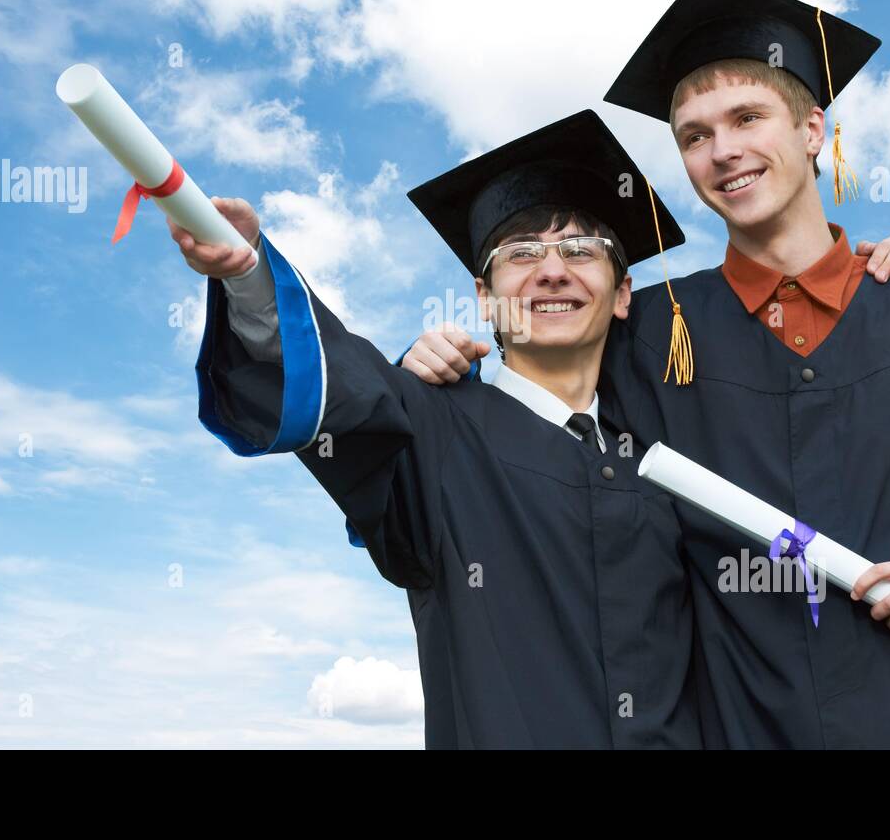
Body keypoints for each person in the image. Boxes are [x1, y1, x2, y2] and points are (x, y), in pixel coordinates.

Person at [402, 0, 890, 747]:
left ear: (811, 129)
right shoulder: (651, 334)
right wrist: (435, 362)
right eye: (694, 135)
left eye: (747, 117)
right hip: (747, 729)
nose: (723, 150)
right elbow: (542, 405)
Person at [185, 110, 702, 748]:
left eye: (579, 250)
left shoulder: (669, 465)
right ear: (485, 299)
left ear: (623, 293)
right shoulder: (432, 431)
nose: (551, 270)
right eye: (520, 254)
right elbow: (347, 389)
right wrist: (250, 279)